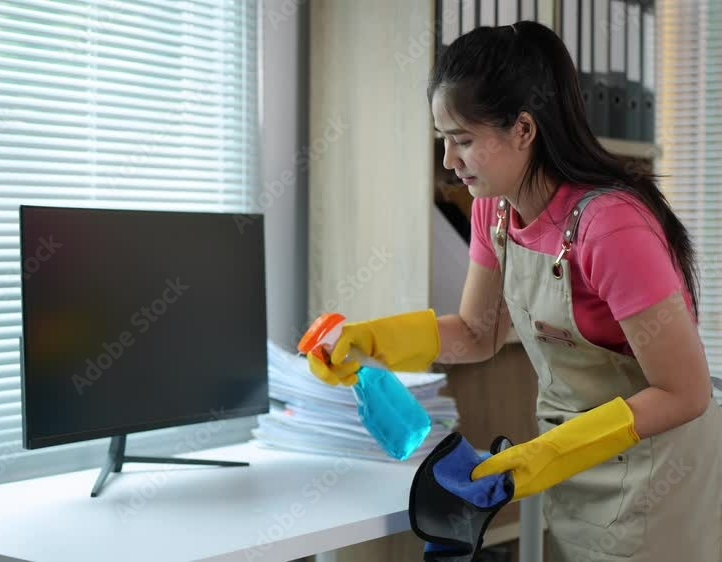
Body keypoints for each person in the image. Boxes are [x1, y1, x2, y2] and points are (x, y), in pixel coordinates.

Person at [307, 20, 722, 562]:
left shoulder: (612, 228)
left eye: (463, 141)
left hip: (656, 473)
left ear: (523, 130)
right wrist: (368, 341)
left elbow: (686, 392)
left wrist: (548, 453)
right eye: (443, 141)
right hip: (574, 464)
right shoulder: (494, 210)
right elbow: (479, 333)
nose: (450, 163)